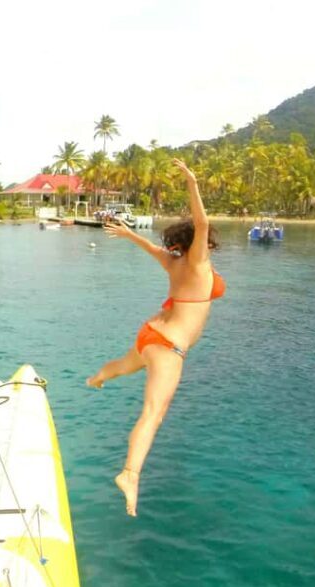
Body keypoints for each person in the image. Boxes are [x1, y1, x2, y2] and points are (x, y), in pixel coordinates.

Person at [86, 158, 224, 516]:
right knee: (153, 413)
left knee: (124, 365)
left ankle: (96, 378)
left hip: (152, 335)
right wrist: (192, 183)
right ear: (199, 243)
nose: (209, 246)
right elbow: (202, 222)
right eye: (206, 242)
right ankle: (130, 474)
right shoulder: (196, 264)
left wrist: (128, 234)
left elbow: (148, 247)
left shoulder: (172, 262)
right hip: (168, 346)